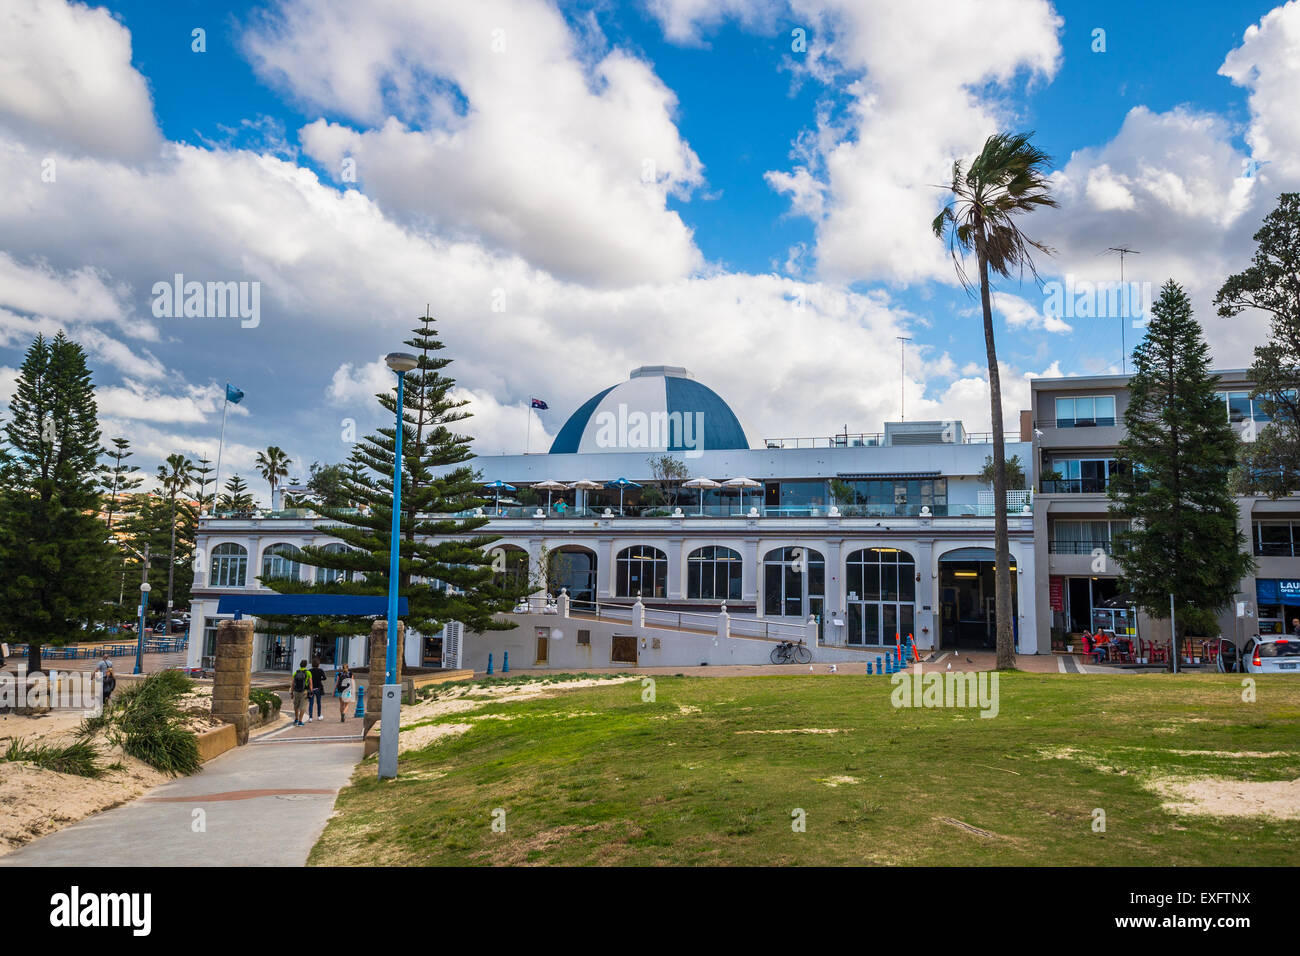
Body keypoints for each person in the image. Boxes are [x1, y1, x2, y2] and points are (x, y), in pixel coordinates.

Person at [291, 659, 313, 726]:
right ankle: (300, 721)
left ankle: (296, 719)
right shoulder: (308, 673)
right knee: (303, 706)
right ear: (306, 665)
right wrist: (311, 692)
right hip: (304, 691)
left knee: (296, 706)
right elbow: (310, 684)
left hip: (296, 691)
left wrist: (291, 692)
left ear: (300, 665)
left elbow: (292, 683)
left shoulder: (296, 672)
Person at [309, 657, 327, 722]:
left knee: (311, 703)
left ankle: (310, 717)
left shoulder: (309, 671)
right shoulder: (320, 670)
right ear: (318, 664)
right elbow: (325, 678)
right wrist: (320, 679)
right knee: (318, 703)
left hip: (311, 688)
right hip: (318, 688)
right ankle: (319, 716)